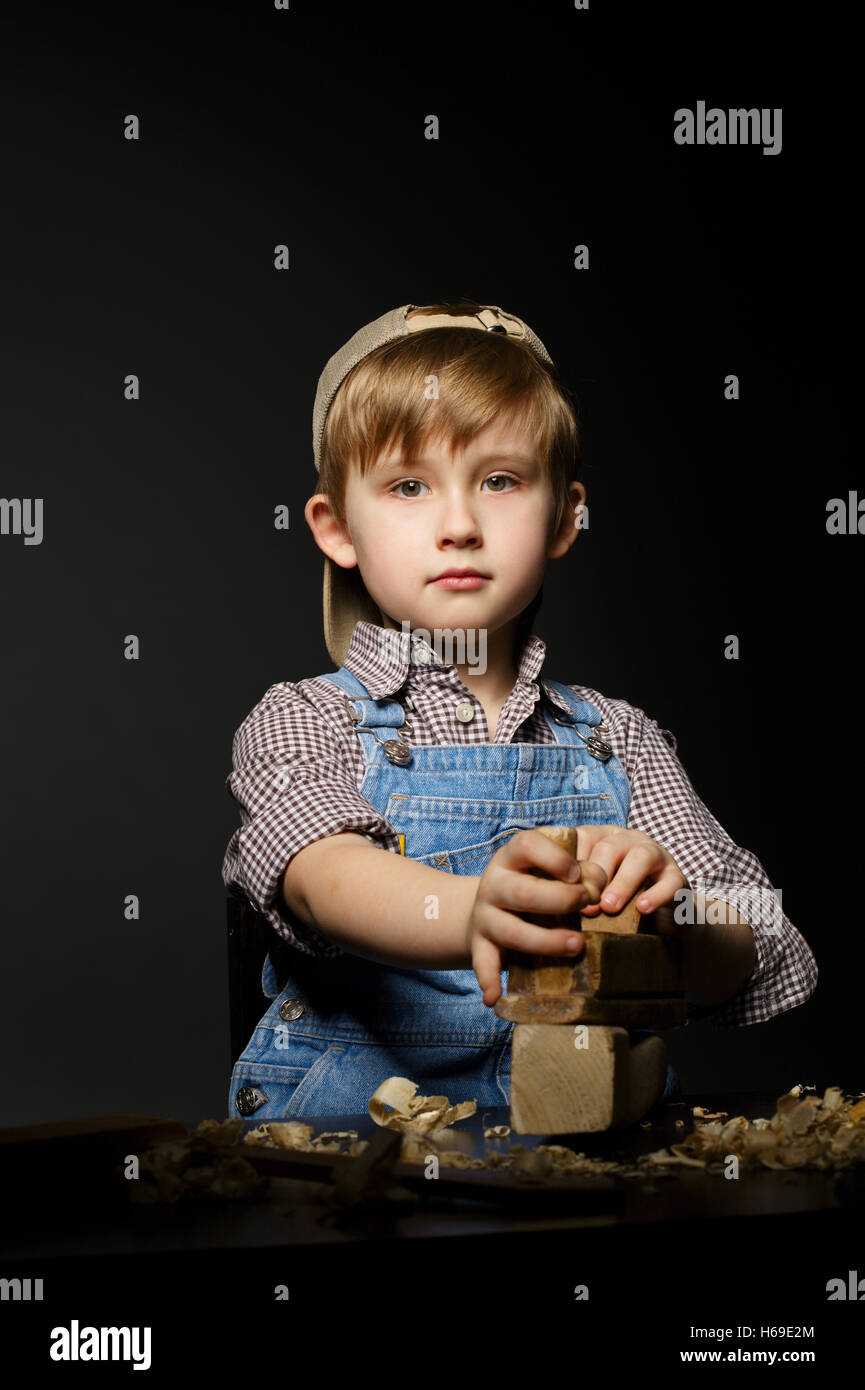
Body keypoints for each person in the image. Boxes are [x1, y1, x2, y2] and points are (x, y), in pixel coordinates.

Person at [222, 300, 817, 1121]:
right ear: (337, 529)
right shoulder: (304, 720)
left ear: (566, 516)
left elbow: (756, 940)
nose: (459, 525)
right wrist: (472, 909)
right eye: (408, 486)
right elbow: (321, 877)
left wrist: (672, 917)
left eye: (499, 480)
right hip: (355, 1154)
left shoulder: (618, 738)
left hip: (589, 1161)